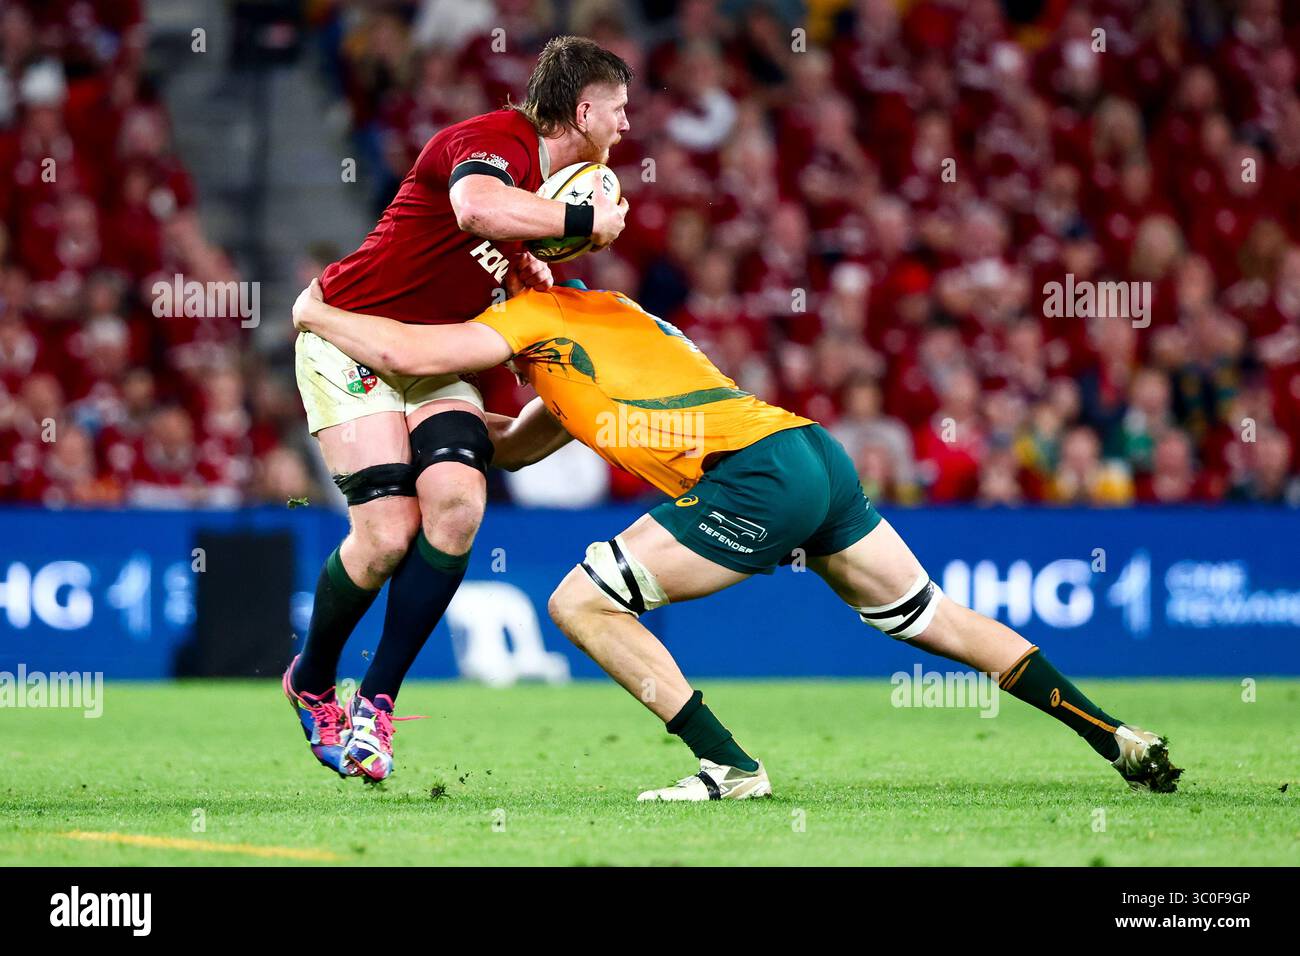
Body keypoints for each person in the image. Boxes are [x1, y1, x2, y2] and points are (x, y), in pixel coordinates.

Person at [292, 279, 1183, 799]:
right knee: (934, 618)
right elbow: (516, 445)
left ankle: (727, 768)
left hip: (753, 474)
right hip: (809, 455)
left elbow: (412, 354)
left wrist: (321, 319)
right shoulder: (590, 339)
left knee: (578, 600)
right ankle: (1116, 736)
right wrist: (430, 440)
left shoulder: (533, 315)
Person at [286, 36, 632, 781]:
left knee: (458, 503)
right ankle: (313, 680)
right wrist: (580, 224)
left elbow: (499, 261)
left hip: (432, 358)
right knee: (384, 535)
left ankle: (376, 705)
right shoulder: (487, 141)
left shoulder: (526, 220)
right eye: (620, 108)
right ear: (583, 108)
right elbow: (474, 207)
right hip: (351, 337)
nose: (626, 124)